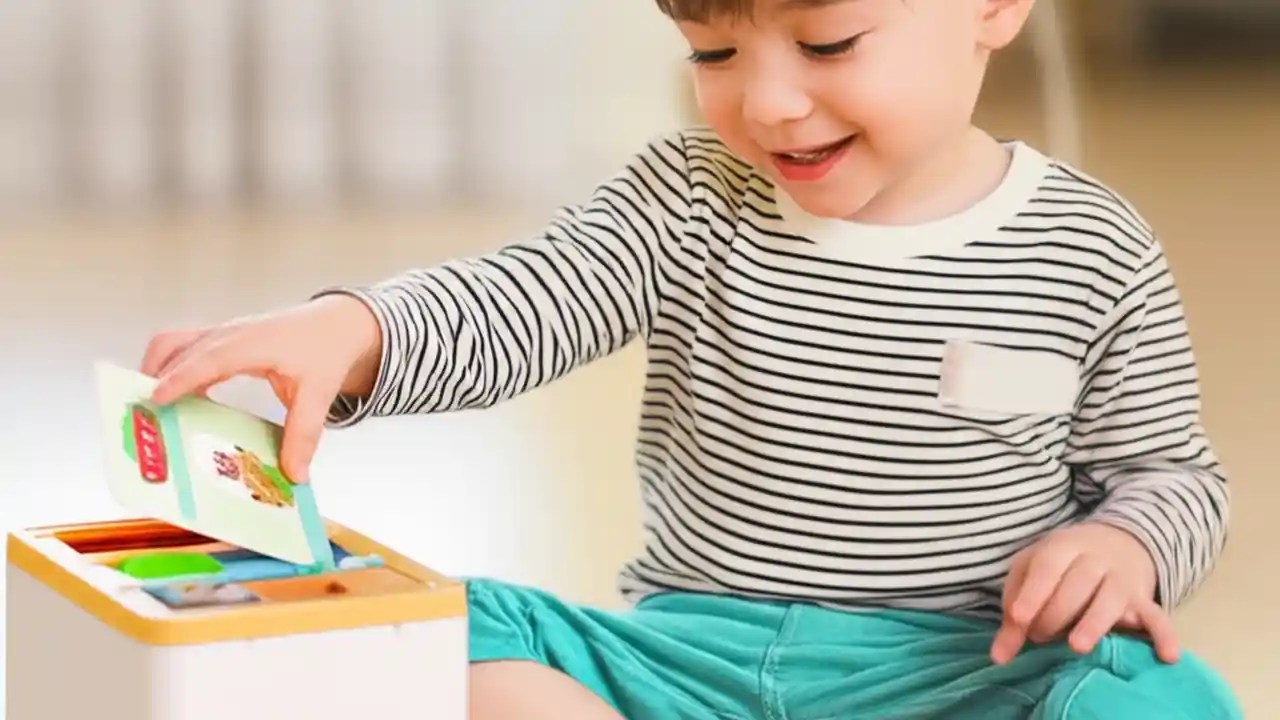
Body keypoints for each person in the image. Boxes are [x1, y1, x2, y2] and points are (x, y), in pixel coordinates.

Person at [140, 1, 1242, 717]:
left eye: (825, 43)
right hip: (685, 664)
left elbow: (1170, 475)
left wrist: (1123, 543)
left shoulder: (1089, 247)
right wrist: (361, 332)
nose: (761, 101)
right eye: (712, 49)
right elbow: (525, 298)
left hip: (964, 672)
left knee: (1154, 695)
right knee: (431, 632)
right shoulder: (686, 197)